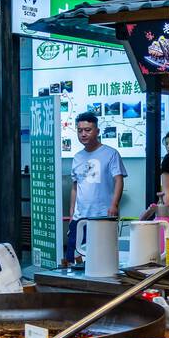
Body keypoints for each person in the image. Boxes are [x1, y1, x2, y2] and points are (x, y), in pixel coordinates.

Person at [64, 112, 126, 265]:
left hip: (102, 216)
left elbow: (119, 180)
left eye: (88, 130)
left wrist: (114, 205)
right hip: (79, 217)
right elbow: (75, 186)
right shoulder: (77, 157)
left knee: (100, 258)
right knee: (74, 259)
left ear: (97, 131)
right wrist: (72, 211)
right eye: (80, 130)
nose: (83, 134)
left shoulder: (110, 153)